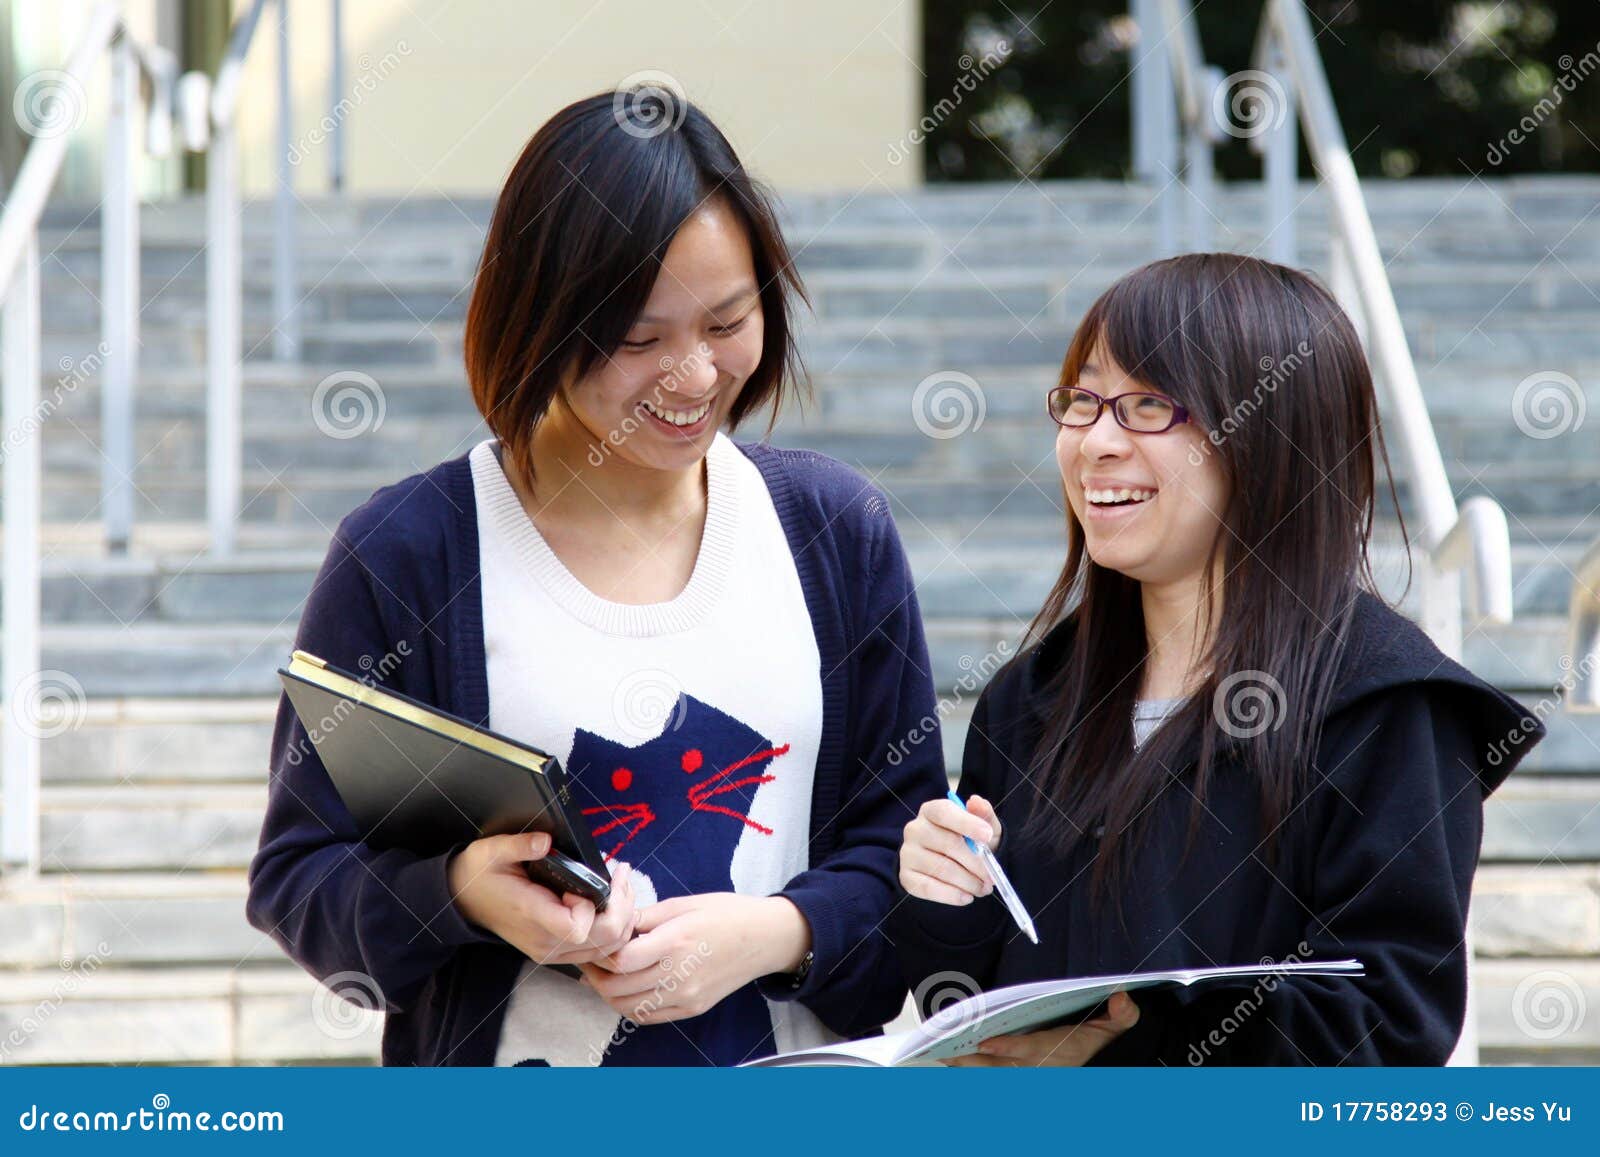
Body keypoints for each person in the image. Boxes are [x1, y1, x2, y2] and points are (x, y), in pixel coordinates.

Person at [247, 88, 947, 1066]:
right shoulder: (408, 551)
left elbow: (907, 848)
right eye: (637, 339)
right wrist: (462, 892)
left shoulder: (834, 533)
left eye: (727, 321)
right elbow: (300, 875)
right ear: (538, 318)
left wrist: (771, 932)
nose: (696, 376)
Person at [892, 252, 1543, 1066]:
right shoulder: (1031, 699)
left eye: (1149, 406)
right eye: (1083, 400)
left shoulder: (1384, 705)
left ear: (1271, 438)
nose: (1095, 442)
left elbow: (1387, 1027)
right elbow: (971, 1002)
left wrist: (1112, 1059)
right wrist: (943, 900)